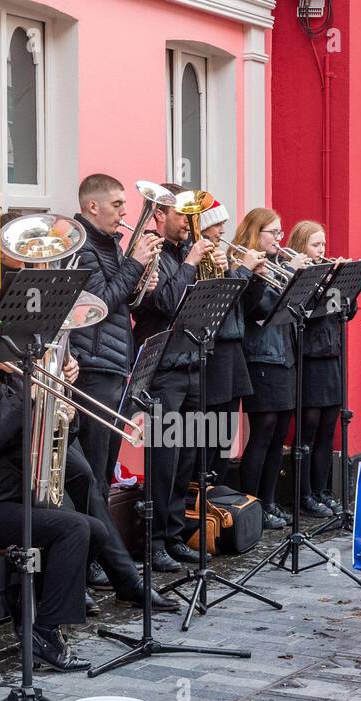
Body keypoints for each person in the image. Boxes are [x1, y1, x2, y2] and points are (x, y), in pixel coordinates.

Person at [0, 364, 111, 671]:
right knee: (72, 529)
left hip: (11, 499)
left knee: (96, 531)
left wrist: (66, 419)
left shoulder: (10, 384)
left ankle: (25, 605)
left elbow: (41, 441)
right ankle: (45, 634)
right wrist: (27, 395)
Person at [69, 174, 161, 587]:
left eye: (126, 205)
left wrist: (140, 283)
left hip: (113, 362)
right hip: (91, 368)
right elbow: (98, 304)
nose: (126, 213)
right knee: (91, 473)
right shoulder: (82, 248)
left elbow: (123, 300)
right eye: (118, 205)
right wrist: (135, 264)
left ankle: (96, 559)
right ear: (93, 207)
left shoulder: (108, 245)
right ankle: (88, 563)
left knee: (104, 471)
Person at [131, 183, 217, 572]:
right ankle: (154, 543)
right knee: (163, 458)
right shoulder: (153, 254)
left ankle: (176, 533)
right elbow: (163, 303)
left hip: (193, 362)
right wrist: (189, 263)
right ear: (159, 215)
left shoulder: (186, 251)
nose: (190, 222)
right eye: (183, 214)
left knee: (187, 456)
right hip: (164, 368)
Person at [235, 208, 310, 528]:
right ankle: (252, 505)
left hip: (285, 355)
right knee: (262, 434)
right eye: (273, 233)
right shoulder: (247, 264)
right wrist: (291, 276)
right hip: (261, 357)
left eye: (281, 233)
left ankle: (269, 500)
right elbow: (260, 308)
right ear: (256, 232)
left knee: (279, 434)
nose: (279, 239)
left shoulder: (276, 264)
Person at [286, 220, 341, 517]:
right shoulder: (301, 277)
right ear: (301, 247)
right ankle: (303, 493)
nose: (322, 250)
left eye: (323, 245)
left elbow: (346, 311)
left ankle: (322, 490)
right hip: (310, 358)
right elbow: (306, 314)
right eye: (315, 245)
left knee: (327, 430)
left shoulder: (327, 277)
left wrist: (341, 284)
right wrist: (323, 283)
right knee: (308, 429)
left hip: (332, 356)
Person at [196, 198, 253, 483]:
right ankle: (203, 492)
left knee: (226, 430)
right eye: (217, 224)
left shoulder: (221, 257)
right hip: (214, 352)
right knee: (210, 431)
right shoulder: (195, 257)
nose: (222, 230)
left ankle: (217, 490)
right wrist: (240, 273)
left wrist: (232, 272)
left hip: (232, 351)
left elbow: (240, 307)